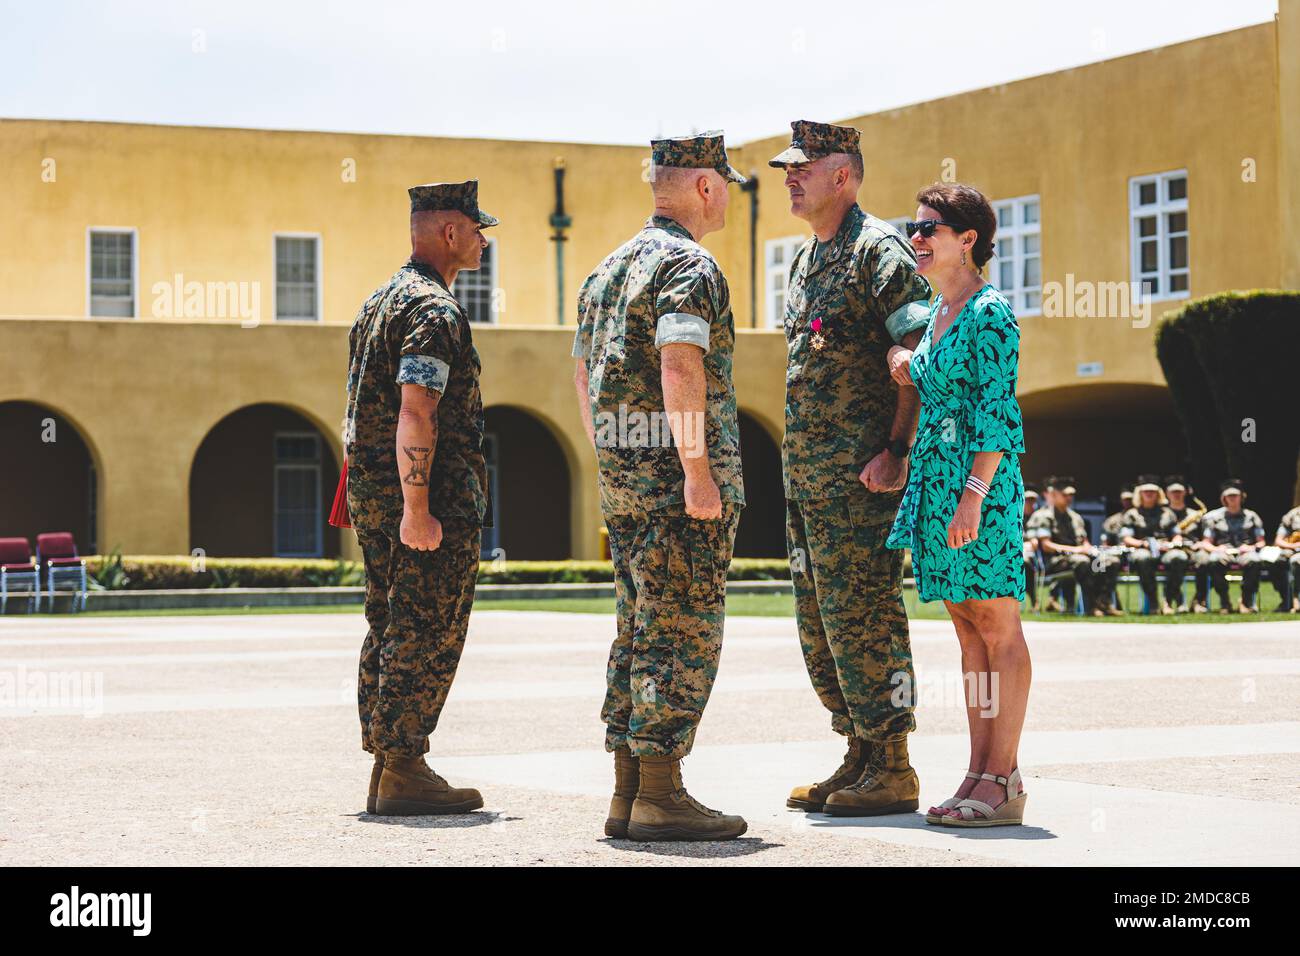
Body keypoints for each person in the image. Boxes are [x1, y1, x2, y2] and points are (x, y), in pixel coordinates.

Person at [572, 131, 748, 842]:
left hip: (626, 485)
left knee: (636, 631)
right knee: (681, 632)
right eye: (727, 181)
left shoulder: (605, 270)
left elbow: (582, 378)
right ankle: (661, 794)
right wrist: (698, 471)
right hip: (677, 490)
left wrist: (611, 461)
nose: (732, 192)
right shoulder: (689, 265)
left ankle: (627, 791)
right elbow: (680, 365)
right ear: (705, 186)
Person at [769, 121, 932, 817]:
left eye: (802, 168)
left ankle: (893, 762)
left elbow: (920, 355)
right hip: (810, 481)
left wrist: (897, 450)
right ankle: (859, 752)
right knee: (821, 621)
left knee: (865, 613)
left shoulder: (879, 252)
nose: (788, 177)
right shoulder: (810, 260)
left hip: (862, 480)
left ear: (843, 175)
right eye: (786, 168)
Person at [345, 181, 495, 815]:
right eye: (477, 228)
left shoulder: (379, 301)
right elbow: (415, 410)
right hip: (421, 501)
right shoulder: (432, 310)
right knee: (425, 626)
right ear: (450, 233)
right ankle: (403, 764)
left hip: (371, 494)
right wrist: (417, 507)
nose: (485, 240)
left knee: (388, 618)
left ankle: (390, 763)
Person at [887, 182, 1032, 828]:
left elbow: (997, 414)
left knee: (997, 626)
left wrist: (973, 497)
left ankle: (1002, 778)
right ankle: (978, 772)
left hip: (979, 488)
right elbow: (934, 380)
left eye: (928, 229)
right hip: (935, 484)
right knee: (967, 630)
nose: (914, 238)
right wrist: (907, 362)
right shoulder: (937, 311)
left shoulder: (990, 312)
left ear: (966, 239)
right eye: (912, 228)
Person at [1028, 477, 1121, 616]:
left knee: (1108, 562)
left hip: (1079, 560)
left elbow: (1084, 541)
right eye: (1065, 495)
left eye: (1071, 495)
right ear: (1054, 495)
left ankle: (1104, 602)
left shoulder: (1076, 517)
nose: (1069, 498)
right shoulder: (1042, 516)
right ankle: (1090, 607)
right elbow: (1046, 545)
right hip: (1053, 563)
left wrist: (1090, 549)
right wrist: (1076, 550)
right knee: (1081, 561)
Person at [1120, 474, 1184, 615]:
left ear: (1158, 494)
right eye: (1146, 491)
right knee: (1143, 558)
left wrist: (1173, 543)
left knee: (1179, 557)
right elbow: (1126, 538)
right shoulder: (1132, 514)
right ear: (1140, 494)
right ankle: (1153, 601)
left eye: (1152, 491)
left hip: (1164, 549)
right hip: (1141, 548)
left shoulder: (1167, 513)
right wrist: (1143, 544)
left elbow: (1177, 534)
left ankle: (1168, 600)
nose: (1149, 494)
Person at [1203, 479, 1268, 613]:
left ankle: (1246, 601)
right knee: (1214, 561)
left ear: (1241, 497)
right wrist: (1217, 549)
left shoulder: (1251, 516)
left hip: (1245, 551)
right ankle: (1224, 602)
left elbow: (1261, 541)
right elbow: (1206, 543)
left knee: (1254, 561)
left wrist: (1252, 547)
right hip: (1223, 551)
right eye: (1229, 496)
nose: (1232, 499)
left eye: (1235, 496)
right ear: (1224, 498)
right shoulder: (1214, 517)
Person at [1165, 476, 1210, 613]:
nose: (1176, 495)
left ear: (1185, 493)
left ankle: (1198, 601)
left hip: (1193, 548)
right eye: (1173, 492)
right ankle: (1174, 600)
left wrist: (1202, 544)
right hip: (1170, 549)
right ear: (1167, 493)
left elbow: (1206, 536)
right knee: (1177, 558)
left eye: (1179, 491)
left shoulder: (1195, 514)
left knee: (1204, 559)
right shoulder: (1163, 514)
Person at [1266, 504, 1300, 613]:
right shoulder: (1293, 515)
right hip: (1293, 550)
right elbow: (1278, 540)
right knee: (1275, 561)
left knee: (1296, 561)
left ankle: (1296, 599)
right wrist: (1293, 546)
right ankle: (1287, 600)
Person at [1023, 486, 1042, 609]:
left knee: (1027, 565)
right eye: (1028, 500)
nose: (1031, 504)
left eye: (1033, 501)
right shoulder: (1015, 515)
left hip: (1036, 555)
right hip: (1020, 551)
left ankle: (1035, 600)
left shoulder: (1039, 517)